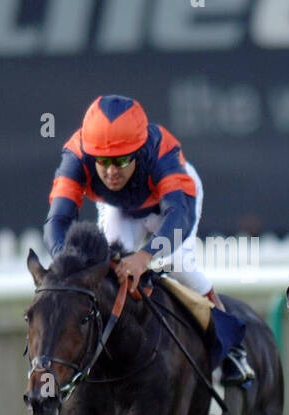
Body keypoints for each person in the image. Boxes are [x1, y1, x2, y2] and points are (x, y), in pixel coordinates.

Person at [44, 95, 254, 384]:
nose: (111, 171)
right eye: (102, 161)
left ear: (139, 151)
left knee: (178, 262)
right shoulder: (76, 155)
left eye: (120, 160)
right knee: (112, 271)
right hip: (121, 208)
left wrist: (146, 256)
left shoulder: (161, 151)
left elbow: (178, 219)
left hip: (171, 208)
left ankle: (232, 348)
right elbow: (57, 221)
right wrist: (63, 263)